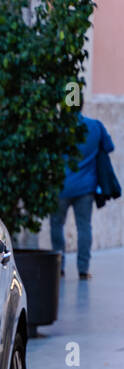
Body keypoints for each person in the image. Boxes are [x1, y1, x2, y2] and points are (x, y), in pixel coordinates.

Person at [49, 113, 115, 279]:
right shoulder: (95, 126)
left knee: (56, 225)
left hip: (61, 186)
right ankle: (83, 269)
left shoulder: (57, 127)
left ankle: (59, 266)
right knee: (84, 227)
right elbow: (109, 147)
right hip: (85, 187)